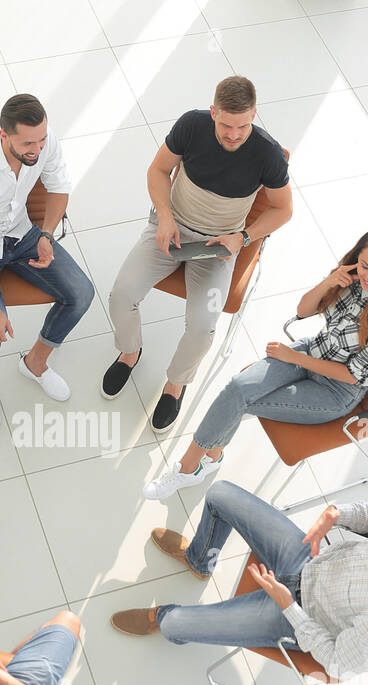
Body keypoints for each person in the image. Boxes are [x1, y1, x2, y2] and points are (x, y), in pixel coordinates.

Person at [142, 225, 368, 500]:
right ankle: (210, 457)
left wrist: (294, 357)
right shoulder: (351, 278)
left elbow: (353, 375)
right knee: (238, 386)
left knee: (240, 399)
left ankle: (188, 467)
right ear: (357, 258)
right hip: (313, 351)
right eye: (365, 266)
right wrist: (330, 281)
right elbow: (303, 310)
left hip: (336, 390)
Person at [102, 75, 293, 434]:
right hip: (170, 231)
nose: (233, 134)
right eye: (225, 125)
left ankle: (175, 383)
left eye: (242, 125)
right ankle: (130, 352)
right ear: (212, 112)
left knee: (203, 327)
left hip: (218, 247)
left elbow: (283, 210)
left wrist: (243, 236)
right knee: (121, 294)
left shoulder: (268, 152)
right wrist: (165, 217)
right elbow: (158, 169)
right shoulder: (192, 124)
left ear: (254, 114)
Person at [110, 481, 368, 681]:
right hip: (308, 562)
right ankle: (200, 560)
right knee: (220, 494)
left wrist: (287, 605)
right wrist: (338, 514)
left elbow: (339, 664)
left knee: (174, 624)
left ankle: (162, 618)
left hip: (299, 619)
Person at [0, 93, 96, 430]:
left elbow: (59, 185)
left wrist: (46, 235)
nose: (37, 149)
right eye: (28, 143)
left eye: (41, 140)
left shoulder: (43, 141)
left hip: (22, 232)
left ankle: (35, 362)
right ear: (4, 136)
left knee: (82, 293)